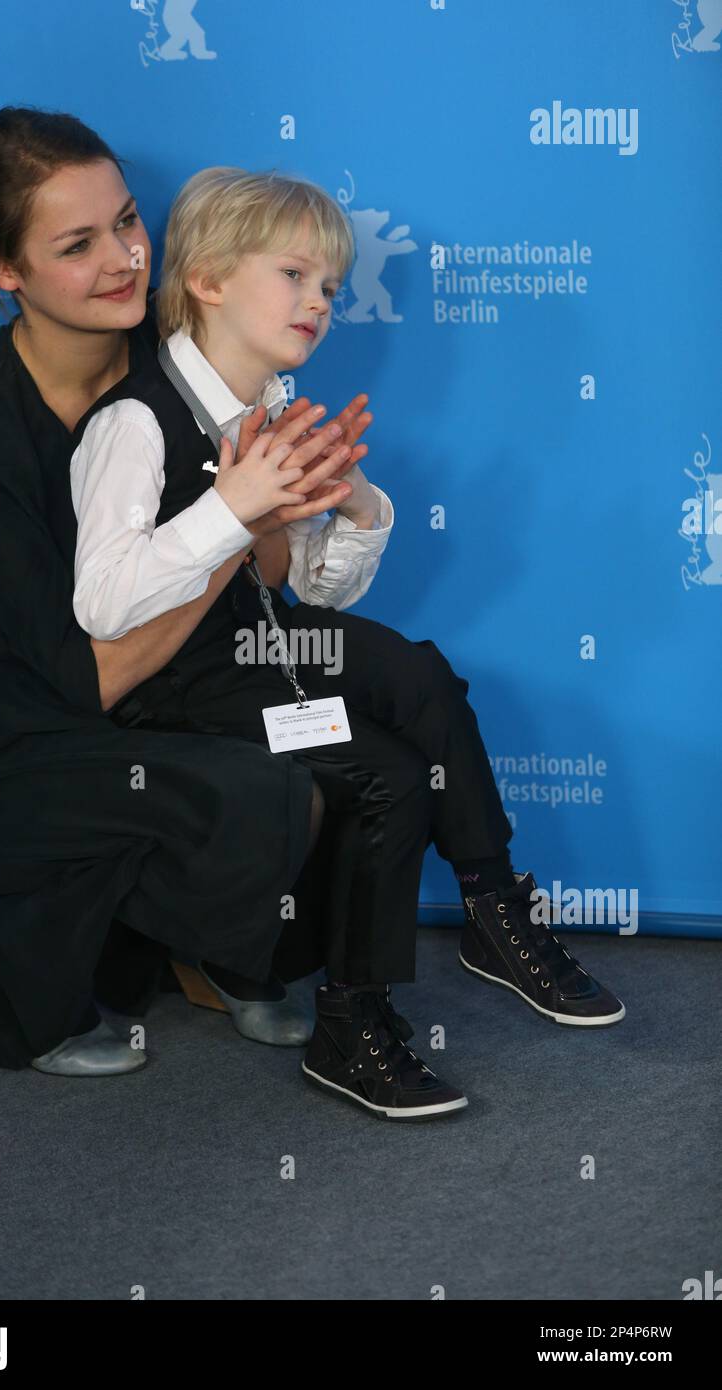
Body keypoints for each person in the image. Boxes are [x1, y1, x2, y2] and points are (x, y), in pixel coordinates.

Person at [67, 165, 626, 1122]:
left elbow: (319, 591)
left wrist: (351, 505)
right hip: (177, 690)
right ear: (205, 278)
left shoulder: (277, 409)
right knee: (388, 773)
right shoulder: (134, 422)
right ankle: (351, 1022)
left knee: (419, 674)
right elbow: (104, 605)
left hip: (264, 655)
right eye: (294, 275)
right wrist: (233, 509)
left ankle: (495, 910)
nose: (320, 302)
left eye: (330, 286)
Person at [0, 107, 364, 1076]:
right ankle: (38, 986)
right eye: (77, 245)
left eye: (127, 222)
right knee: (244, 786)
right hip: (36, 715)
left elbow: (278, 566)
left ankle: (224, 954)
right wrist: (233, 523)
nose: (122, 259)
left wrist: (298, 509)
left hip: (192, 679)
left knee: (351, 743)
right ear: (2, 270)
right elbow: (85, 670)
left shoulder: (188, 348)